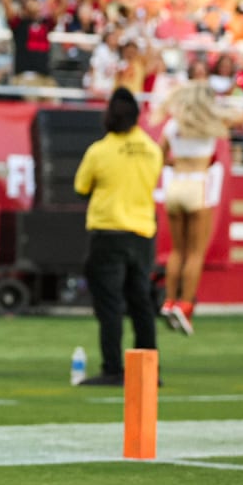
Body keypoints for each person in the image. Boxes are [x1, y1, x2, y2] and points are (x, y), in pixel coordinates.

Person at [157, 80, 243, 335]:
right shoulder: (211, 122)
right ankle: (185, 306)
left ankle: (169, 301)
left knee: (177, 251)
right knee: (196, 253)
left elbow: (160, 156)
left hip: (175, 186)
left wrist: (175, 165)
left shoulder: (173, 125)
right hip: (198, 186)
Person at [72, 88, 164, 386]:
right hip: (142, 235)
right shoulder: (152, 149)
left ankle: (113, 369)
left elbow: (81, 188)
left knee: (110, 306)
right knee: (142, 304)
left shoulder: (100, 151)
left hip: (108, 234)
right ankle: (149, 370)